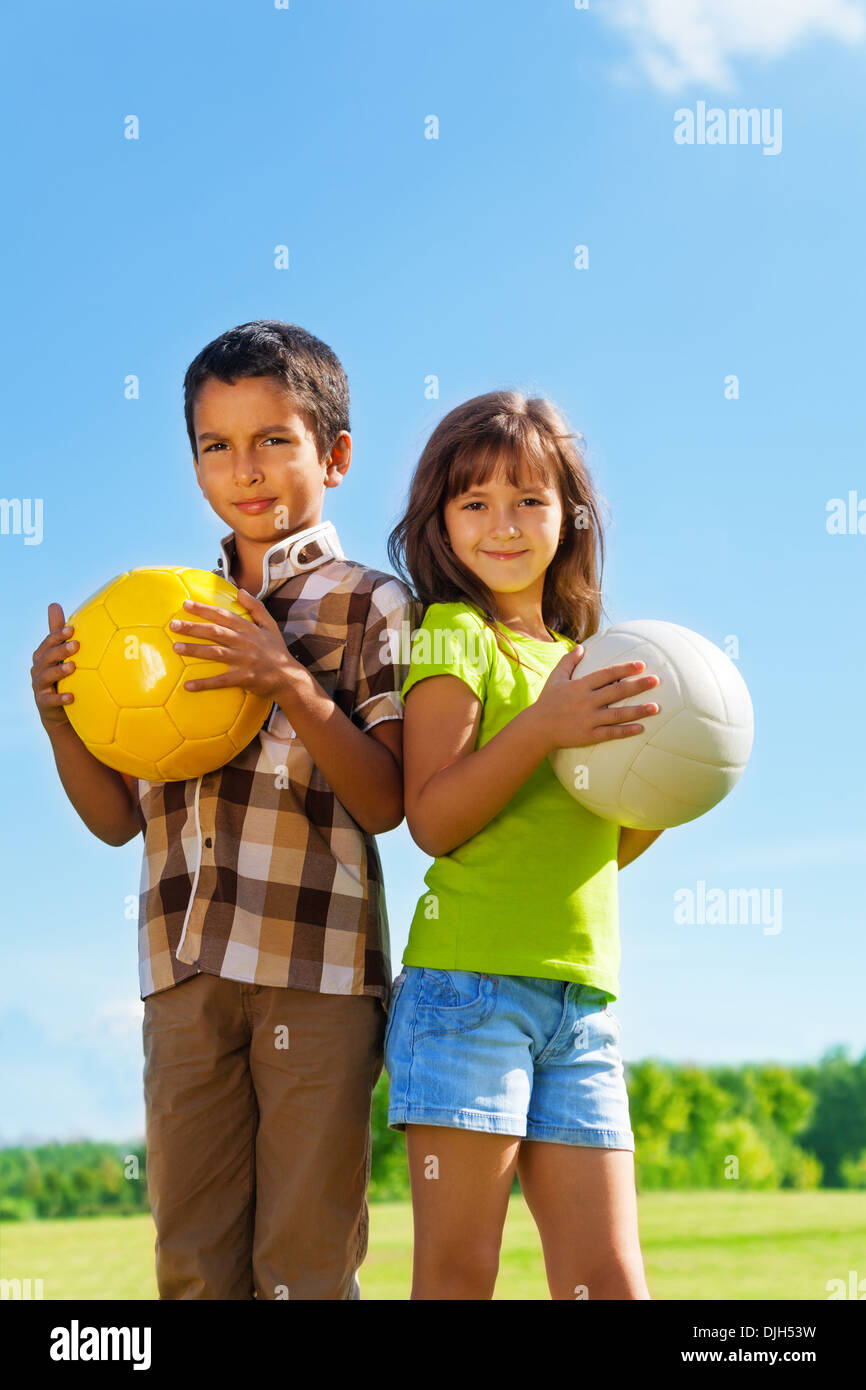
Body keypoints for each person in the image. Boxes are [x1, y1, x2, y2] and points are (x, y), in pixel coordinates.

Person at [30, 320, 420, 1300]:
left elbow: (384, 802)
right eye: (216, 445)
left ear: (333, 455)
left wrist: (286, 678)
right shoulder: (156, 615)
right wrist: (59, 721)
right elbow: (120, 822)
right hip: (182, 970)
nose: (244, 470)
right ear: (194, 461)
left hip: (316, 974)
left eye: (273, 440)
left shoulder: (370, 604)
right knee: (192, 1261)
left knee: (305, 1256)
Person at [384, 389, 665, 1301]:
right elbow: (432, 815)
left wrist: (664, 801)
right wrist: (544, 728)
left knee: (608, 1280)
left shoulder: (589, 658)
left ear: (569, 516)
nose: (503, 524)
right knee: (462, 1276)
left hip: (580, 1002)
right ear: (442, 522)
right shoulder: (456, 635)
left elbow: (590, 850)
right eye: (474, 503)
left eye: (529, 499)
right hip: (469, 995)